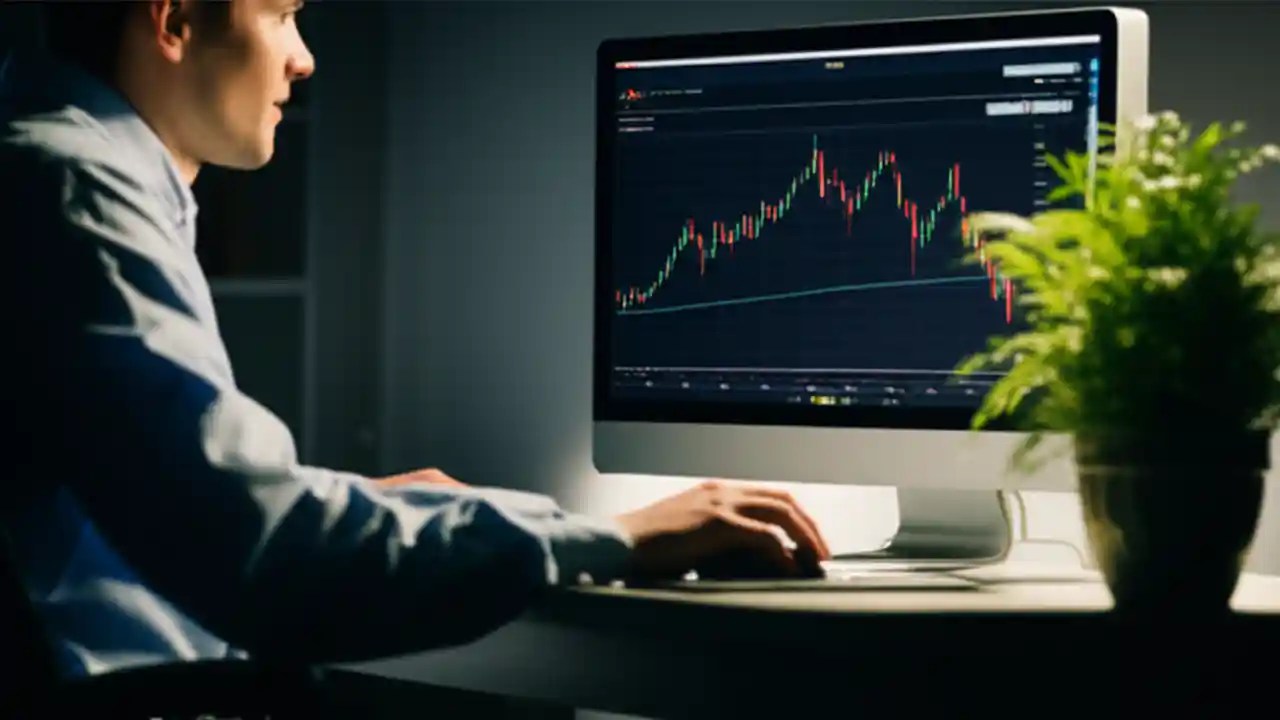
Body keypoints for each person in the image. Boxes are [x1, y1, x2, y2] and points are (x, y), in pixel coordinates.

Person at [0, 0, 831, 680]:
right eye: (282, 15)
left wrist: (363, 509)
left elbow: (175, 510)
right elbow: (257, 554)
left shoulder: (64, 174)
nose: (304, 59)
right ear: (175, 19)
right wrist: (618, 538)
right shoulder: (74, 190)